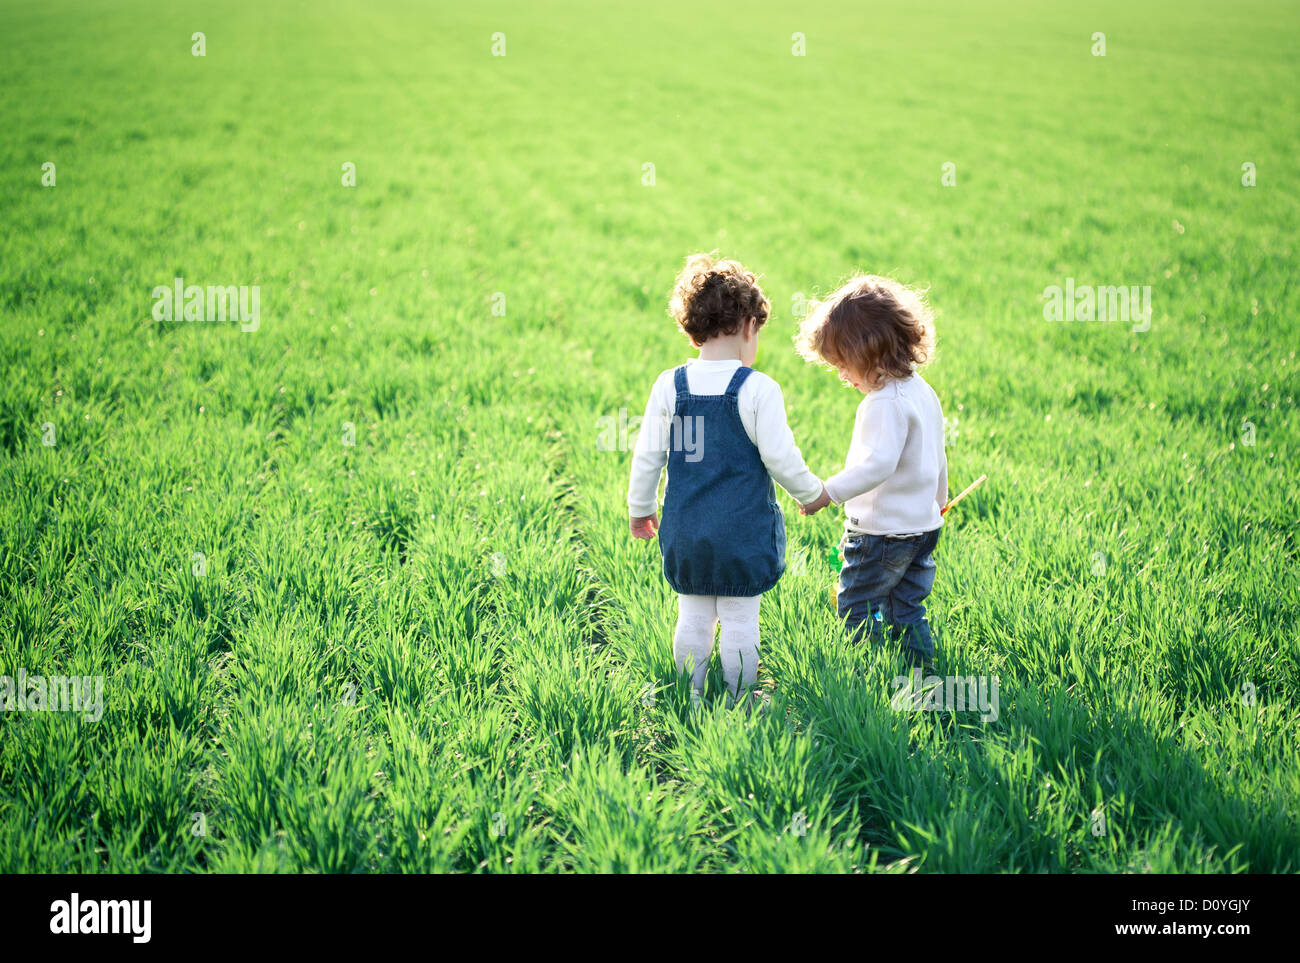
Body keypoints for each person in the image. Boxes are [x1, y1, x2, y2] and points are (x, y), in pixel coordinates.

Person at [628, 253, 826, 702]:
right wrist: (811, 493)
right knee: (740, 619)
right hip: (742, 534)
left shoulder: (669, 385)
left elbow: (647, 456)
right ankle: (740, 698)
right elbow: (782, 458)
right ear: (748, 326)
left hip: (687, 530)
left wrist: (640, 510)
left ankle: (689, 696)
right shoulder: (757, 389)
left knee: (693, 617)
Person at [796, 275, 947, 671]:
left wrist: (827, 492)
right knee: (906, 607)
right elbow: (936, 452)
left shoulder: (884, 403)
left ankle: (865, 674)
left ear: (869, 352)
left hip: (882, 535)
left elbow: (878, 465)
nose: (843, 376)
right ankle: (920, 671)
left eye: (844, 365)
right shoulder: (921, 391)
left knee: (855, 606)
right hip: (922, 529)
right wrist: (938, 501)